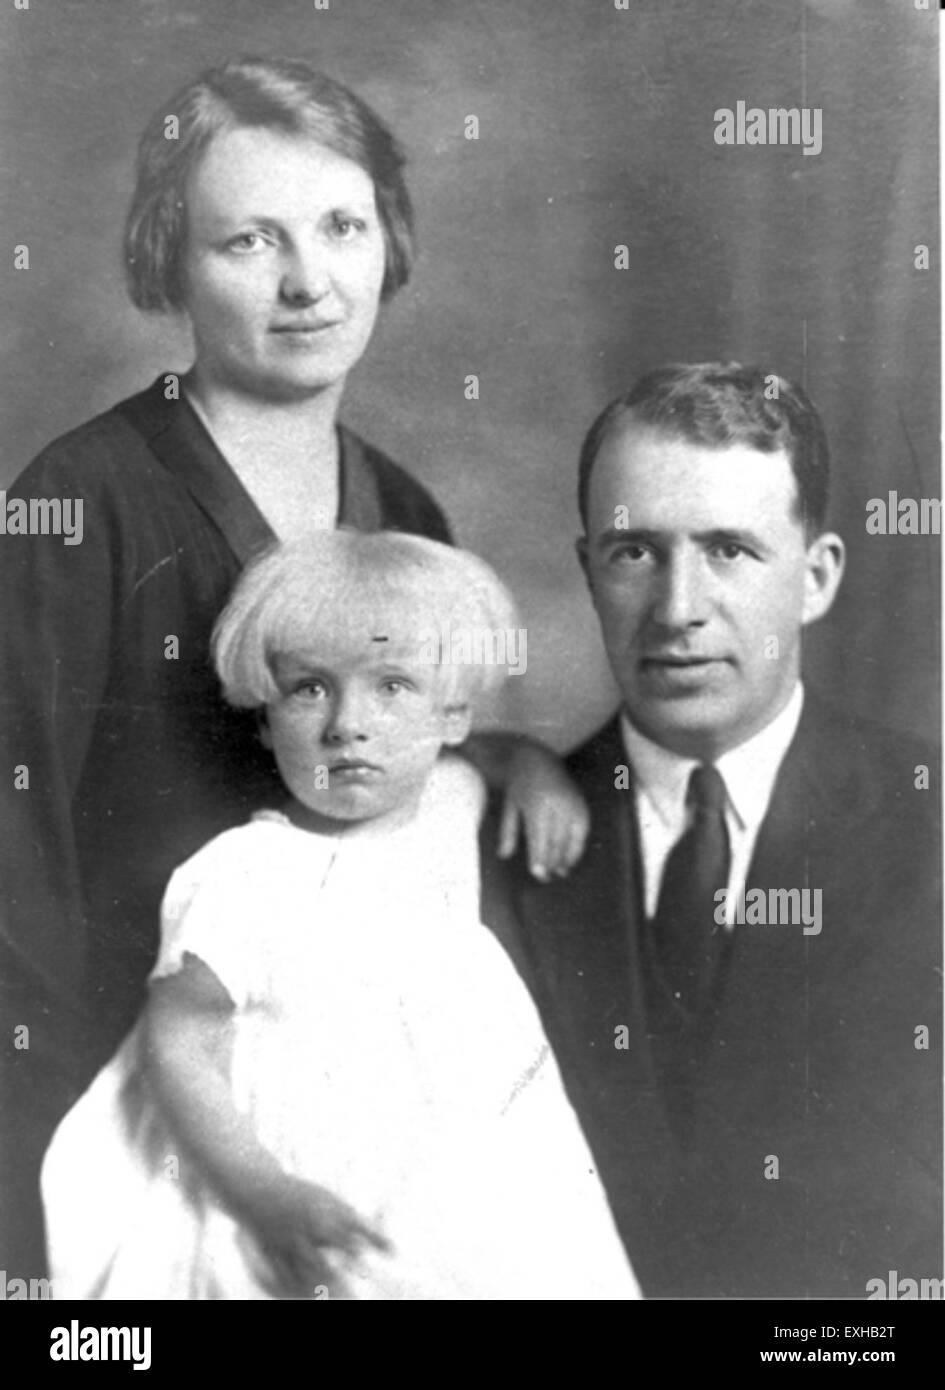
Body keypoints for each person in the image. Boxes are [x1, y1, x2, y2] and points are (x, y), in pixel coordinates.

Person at [0, 56, 584, 1276]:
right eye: (250, 241)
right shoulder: (78, 501)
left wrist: (513, 755)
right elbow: (16, 864)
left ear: (389, 242)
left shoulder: (405, 510)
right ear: (173, 259)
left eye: (341, 227)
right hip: (141, 1102)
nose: (310, 281)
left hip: (362, 1122)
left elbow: (399, 771)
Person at [41, 531, 639, 1301]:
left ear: (451, 713)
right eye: (309, 689)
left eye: (392, 686)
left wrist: (530, 766)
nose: (347, 724)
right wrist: (263, 1195)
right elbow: (179, 1043)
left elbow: (476, 757)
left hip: (461, 1174)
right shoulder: (242, 872)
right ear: (262, 717)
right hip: (299, 1178)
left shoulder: (446, 799)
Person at [482, 361, 942, 1299]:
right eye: (632, 552)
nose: (677, 607)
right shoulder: (490, 846)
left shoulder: (927, 822)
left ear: (814, 579)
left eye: (728, 549)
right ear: (586, 571)